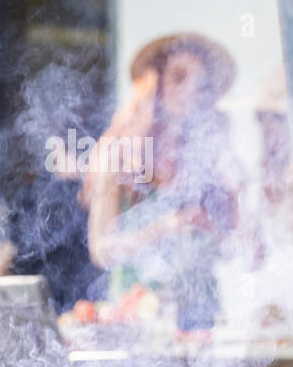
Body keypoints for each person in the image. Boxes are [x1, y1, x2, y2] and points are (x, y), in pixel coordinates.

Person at [82, 32, 241, 334]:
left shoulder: (212, 157)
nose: (191, 90)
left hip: (204, 325)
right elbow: (101, 251)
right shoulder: (118, 155)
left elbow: (237, 251)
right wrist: (167, 226)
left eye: (200, 84)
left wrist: (236, 198)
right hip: (136, 324)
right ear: (154, 87)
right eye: (179, 77)